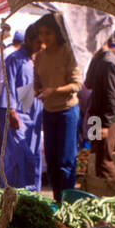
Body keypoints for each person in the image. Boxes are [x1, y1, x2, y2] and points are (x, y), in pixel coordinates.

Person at [30, 14, 83, 204]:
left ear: (57, 33)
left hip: (67, 112)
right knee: (52, 162)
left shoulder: (68, 52)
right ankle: (57, 198)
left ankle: (68, 203)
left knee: (66, 162)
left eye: (48, 33)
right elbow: (37, 80)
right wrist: (37, 90)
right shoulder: (40, 56)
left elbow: (77, 85)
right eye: (41, 33)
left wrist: (54, 90)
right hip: (48, 111)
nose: (44, 37)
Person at [0, 29, 43, 190]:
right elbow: (8, 86)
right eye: (38, 42)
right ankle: (12, 192)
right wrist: (12, 111)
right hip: (17, 114)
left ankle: (31, 193)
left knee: (32, 154)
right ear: (28, 40)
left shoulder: (33, 59)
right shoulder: (14, 59)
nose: (40, 46)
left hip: (32, 114)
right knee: (17, 156)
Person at [83, 25, 115, 182]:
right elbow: (88, 84)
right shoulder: (98, 58)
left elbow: (112, 96)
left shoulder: (108, 61)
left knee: (104, 161)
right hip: (96, 115)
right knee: (94, 157)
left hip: (108, 118)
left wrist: (106, 125)